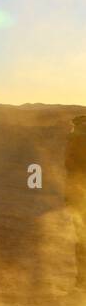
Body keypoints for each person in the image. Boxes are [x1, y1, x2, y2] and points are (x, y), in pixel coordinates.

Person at [66, 116, 86, 288]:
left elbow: (70, 167)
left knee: (81, 238)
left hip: (78, 196)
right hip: (78, 195)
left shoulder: (74, 139)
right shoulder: (76, 139)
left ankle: (82, 281)